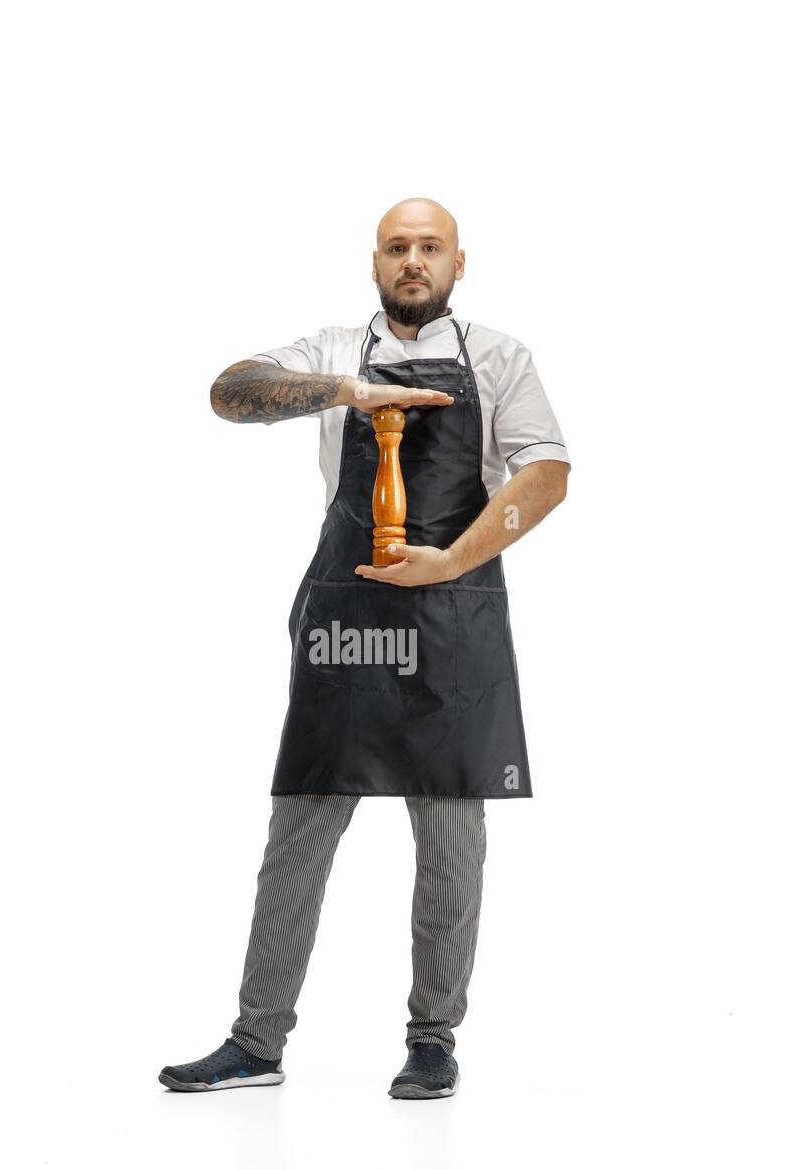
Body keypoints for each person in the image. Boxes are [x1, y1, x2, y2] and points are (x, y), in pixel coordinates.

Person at [158, 198, 570, 1100]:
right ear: (374, 262)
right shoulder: (336, 352)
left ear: (461, 264)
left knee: (453, 840)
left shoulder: (498, 358)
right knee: (300, 827)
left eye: (430, 247)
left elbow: (547, 472)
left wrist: (454, 557)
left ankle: (433, 1040)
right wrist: (350, 393)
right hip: (345, 617)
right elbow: (232, 391)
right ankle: (256, 1042)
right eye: (397, 247)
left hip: (454, 615)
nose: (412, 260)